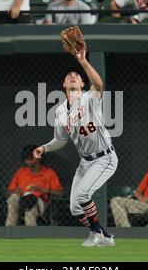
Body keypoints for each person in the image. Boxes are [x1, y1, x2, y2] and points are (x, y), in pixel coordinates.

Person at [33, 45, 118, 247]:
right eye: (69, 76)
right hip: (85, 162)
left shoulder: (89, 98)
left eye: (77, 76)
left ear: (81, 83)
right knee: (75, 207)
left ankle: (96, 233)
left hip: (104, 157)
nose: (73, 76)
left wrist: (82, 61)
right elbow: (60, 140)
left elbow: (98, 84)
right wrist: (44, 148)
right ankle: (105, 236)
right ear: (64, 84)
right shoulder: (60, 111)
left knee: (82, 195)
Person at [6, 144, 63, 226]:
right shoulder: (21, 172)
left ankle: (30, 234)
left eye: (30, 157)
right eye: (26, 158)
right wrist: (16, 191)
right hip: (20, 201)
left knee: (30, 203)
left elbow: (60, 193)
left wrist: (41, 189)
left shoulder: (49, 173)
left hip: (39, 202)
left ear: (39, 157)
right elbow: (8, 192)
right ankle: (9, 230)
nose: (27, 160)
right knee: (13, 197)